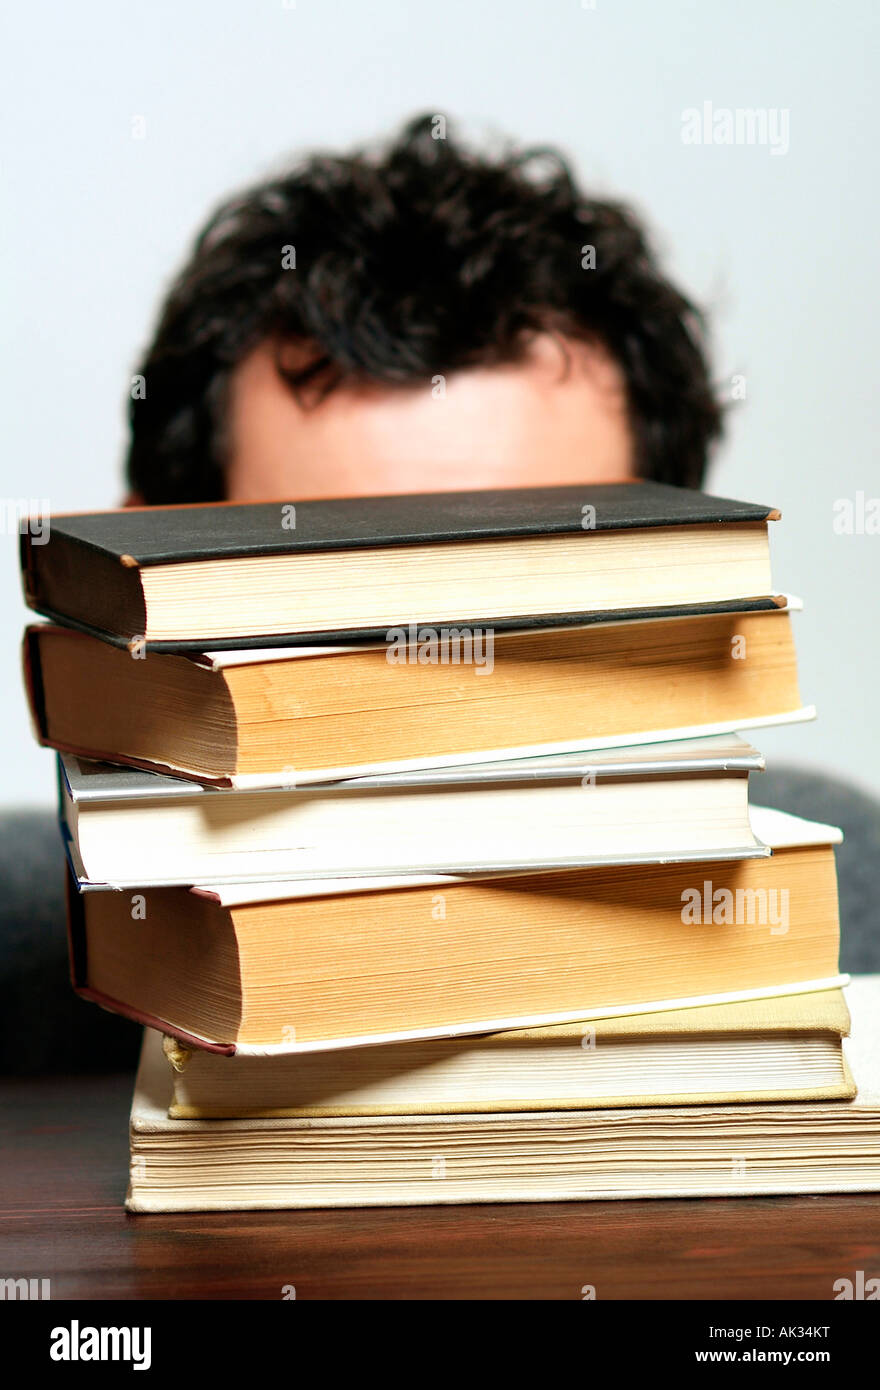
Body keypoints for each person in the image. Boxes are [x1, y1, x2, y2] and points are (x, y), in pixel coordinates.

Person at [3, 114, 877, 1075]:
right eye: (331, 607)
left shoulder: (825, 901)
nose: (443, 681)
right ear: (123, 600)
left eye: (541, 614)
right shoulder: (23, 964)